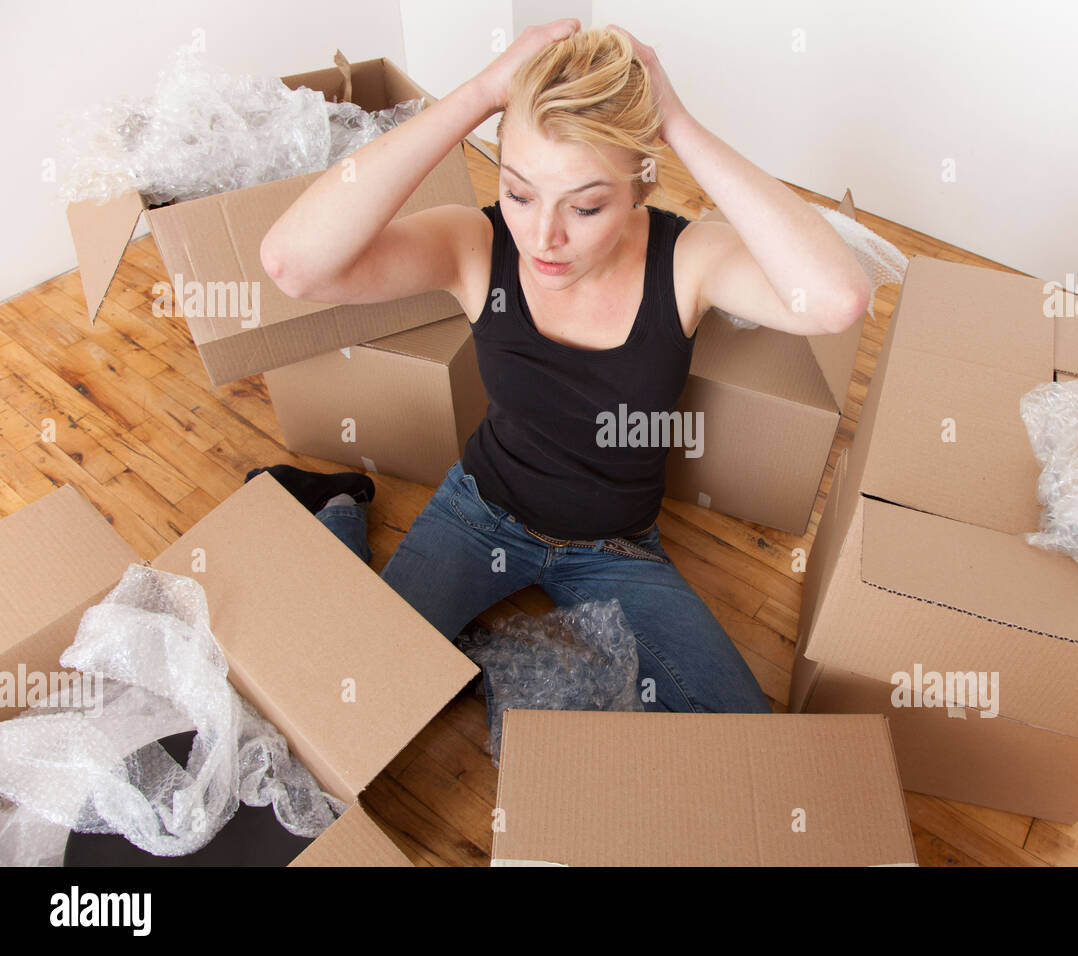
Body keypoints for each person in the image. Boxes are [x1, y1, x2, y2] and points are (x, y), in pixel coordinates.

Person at [254, 21, 873, 715]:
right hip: (480, 515)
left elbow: (836, 299)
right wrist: (480, 94)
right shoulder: (476, 245)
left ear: (639, 186)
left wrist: (677, 124)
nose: (542, 237)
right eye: (520, 193)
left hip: (616, 548)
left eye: (584, 205)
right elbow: (293, 266)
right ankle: (340, 507)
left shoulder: (686, 260)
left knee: (743, 731)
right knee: (353, 701)